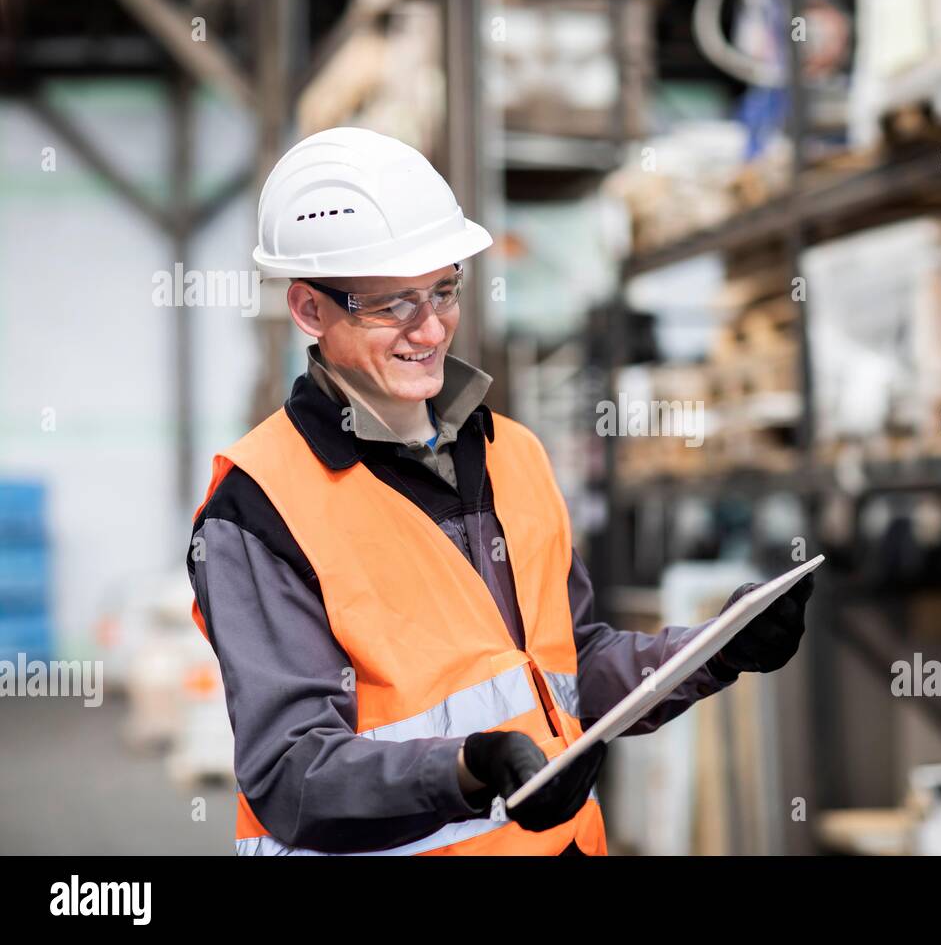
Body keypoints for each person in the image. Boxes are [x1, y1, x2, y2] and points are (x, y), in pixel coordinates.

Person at [186, 127, 815, 856]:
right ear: (309, 310)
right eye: (393, 305)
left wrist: (712, 650)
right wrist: (467, 768)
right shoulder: (259, 508)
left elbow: (566, 672)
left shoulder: (511, 453)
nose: (430, 329)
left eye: (445, 290)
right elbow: (294, 776)